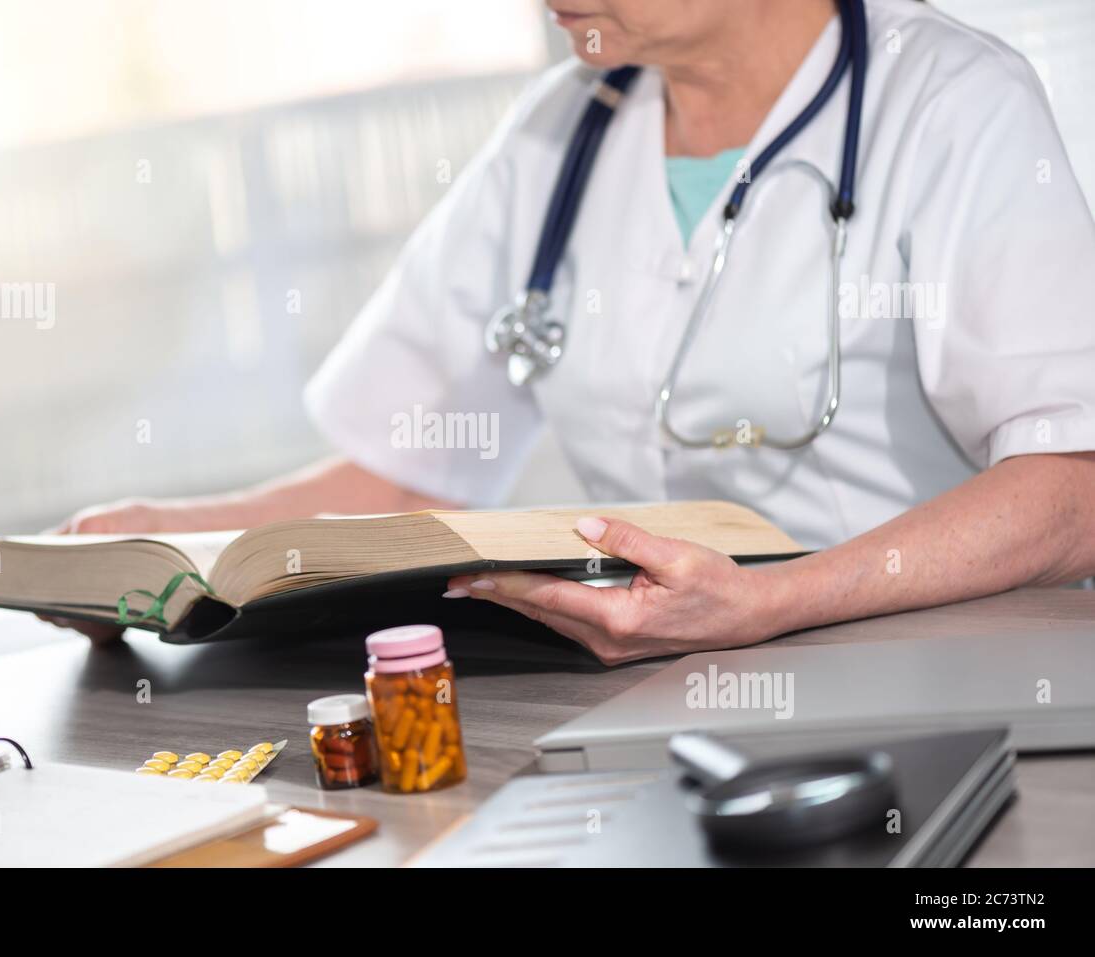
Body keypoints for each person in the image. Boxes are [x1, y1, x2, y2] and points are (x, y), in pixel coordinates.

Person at [56, 0, 1095, 662]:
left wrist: (769, 604)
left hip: (938, 670)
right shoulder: (558, 131)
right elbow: (418, 475)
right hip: (646, 686)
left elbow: (1072, 487)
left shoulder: (952, 100)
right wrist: (176, 541)